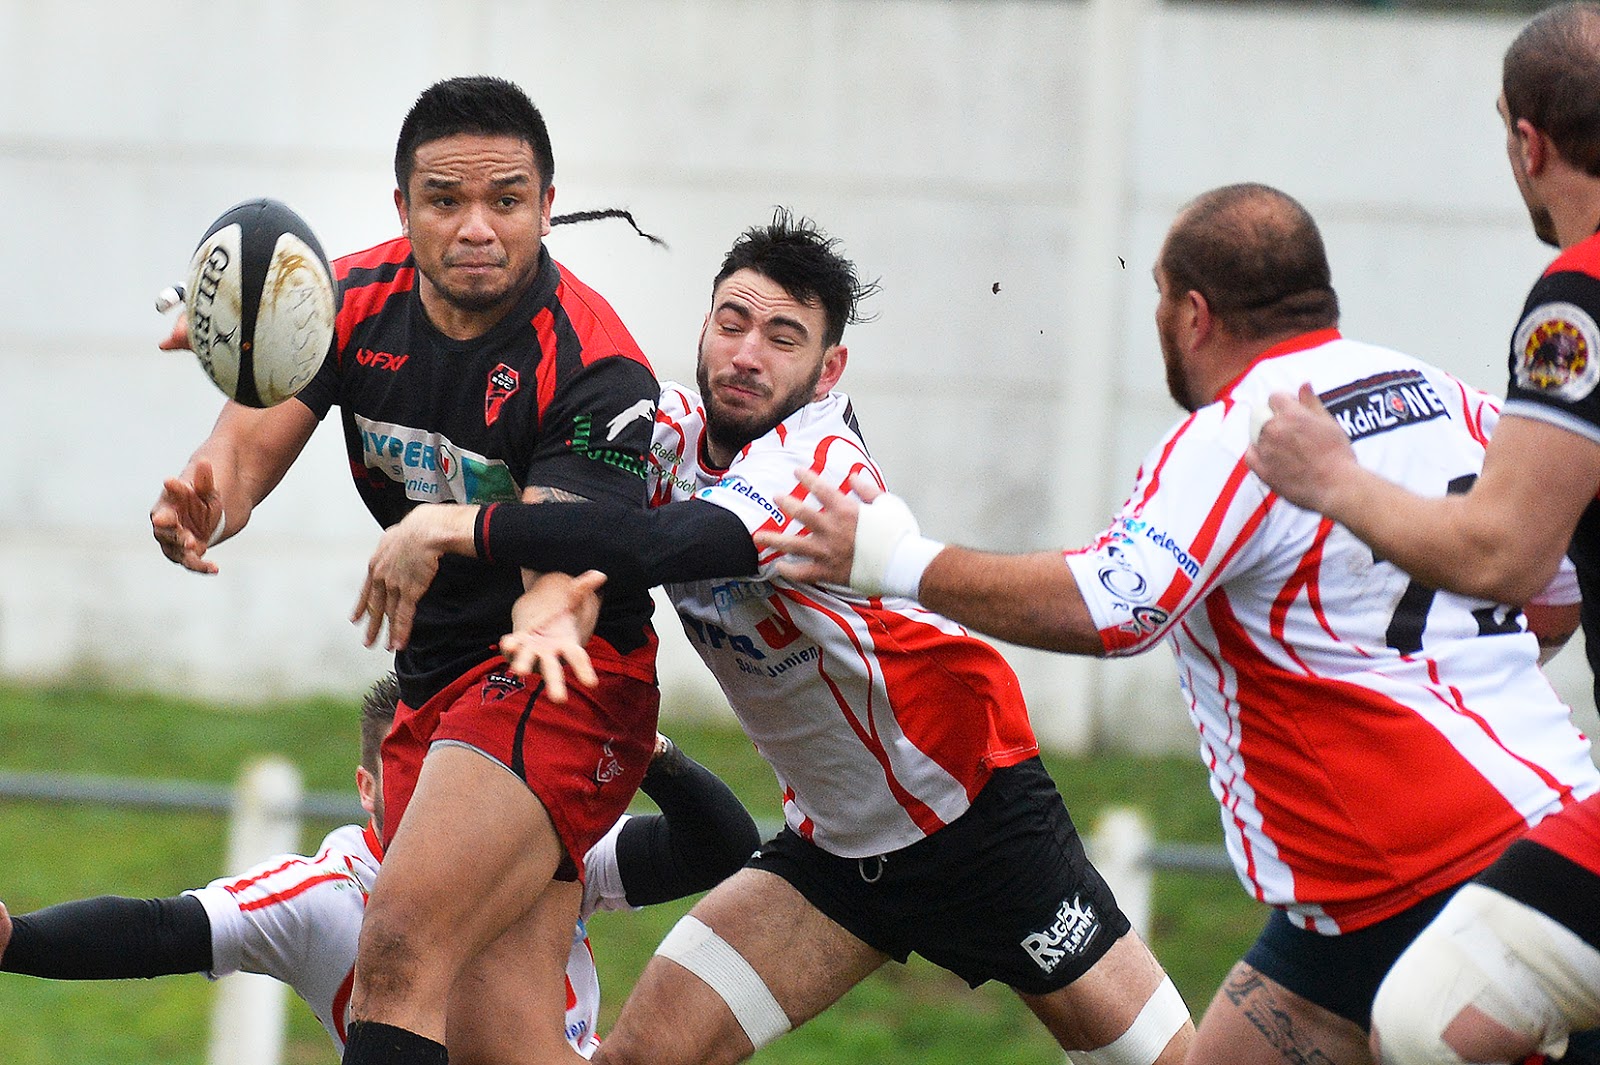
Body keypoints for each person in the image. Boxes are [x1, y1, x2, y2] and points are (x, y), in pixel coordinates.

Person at [755, 184, 1600, 1065]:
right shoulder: (1446, 398)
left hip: (1434, 876)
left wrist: (891, 558)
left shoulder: (1247, 430)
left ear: (1192, 313)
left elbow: (1113, 609)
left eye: (1159, 295)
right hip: (1390, 882)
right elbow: (1554, 589)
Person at [349, 210, 1196, 1065]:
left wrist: (455, 528)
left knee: (1171, 1062)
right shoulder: (666, 430)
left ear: (829, 369)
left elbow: (665, 545)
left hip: (976, 820)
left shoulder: (814, 462)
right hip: (833, 854)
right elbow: (580, 505)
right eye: (732, 322)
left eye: (783, 337)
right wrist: (556, 596)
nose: (747, 355)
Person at [149, 76, 662, 1065]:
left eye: (505, 200)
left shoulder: (596, 365)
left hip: (561, 680)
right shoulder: (348, 303)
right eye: (445, 200)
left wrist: (463, 543)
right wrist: (206, 496)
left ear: (546, 206)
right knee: (498, 1032)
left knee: (397, 947)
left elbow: (561, 564)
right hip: (437, 686)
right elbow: (244, 451)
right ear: (403, 209)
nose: (477, 227)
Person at [1237, 6, 1600, 1064]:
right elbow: (1550, 587)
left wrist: (1333, 479)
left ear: (1525, 141)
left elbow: (1503, 556)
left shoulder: (1578, 293)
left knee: (1435, 1019)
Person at [0, 672, 759, 1060]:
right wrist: (17, 941)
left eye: (468, 769)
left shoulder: (542, 837)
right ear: (368, 786)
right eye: (420, 769)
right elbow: (164, 928)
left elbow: (721, 846)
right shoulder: (326, 896)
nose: (448, 799)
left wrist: (645, 747)